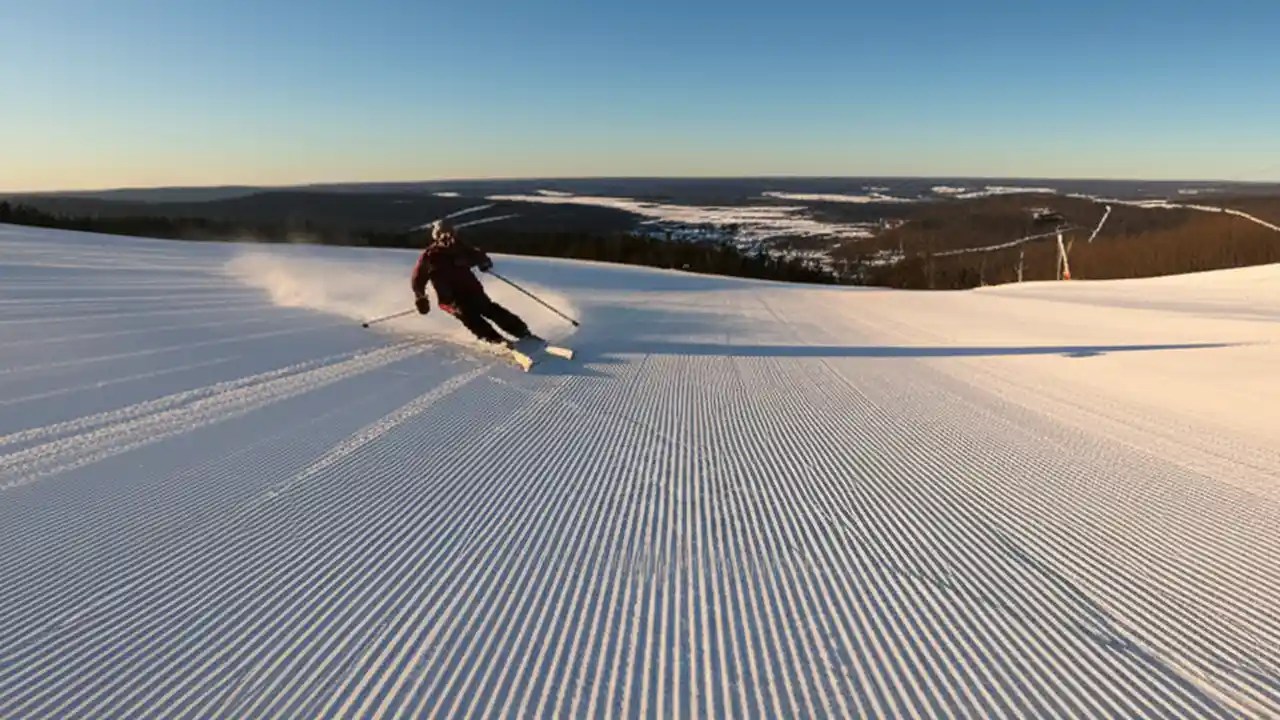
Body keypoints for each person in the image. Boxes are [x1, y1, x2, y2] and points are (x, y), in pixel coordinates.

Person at [411, 218, 539, 347]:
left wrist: (484, 263)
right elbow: (418, 278)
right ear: (436, 237)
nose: (447, 238)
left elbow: (479, 256)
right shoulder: (429, 256)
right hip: (449, 298)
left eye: (450, 233)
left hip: (471, 290)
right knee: (466, 314)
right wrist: (420, 297)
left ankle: (521, 331)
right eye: (442, 235)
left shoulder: (462, 248)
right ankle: (493, 339)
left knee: (488, 308)